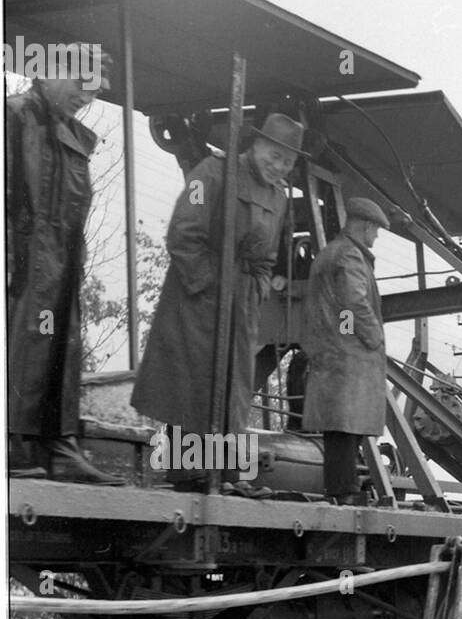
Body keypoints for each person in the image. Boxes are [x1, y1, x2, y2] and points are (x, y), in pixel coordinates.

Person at [131, 113, 303, 487]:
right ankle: (188, 475)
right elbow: (182, 232)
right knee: (190, 385)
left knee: (235, 389)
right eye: (273, 156)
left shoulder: (279, 198)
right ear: (255, 145)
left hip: (241, 304)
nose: (278, 167)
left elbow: (267, 258)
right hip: (196, 300)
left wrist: (254, 290)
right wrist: (208, 286)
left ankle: (226, 474)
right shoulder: (212, 173)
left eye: (287, 162)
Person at [7, 47, 123, 483]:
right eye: (80, 85)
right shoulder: (14, 116)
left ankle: (59, 449)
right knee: (20, 350)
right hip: (23, 260)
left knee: (59, 352)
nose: (84, 97)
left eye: (92, 92)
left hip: (60, 264)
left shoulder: (72, 135)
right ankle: (14, 449)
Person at [302, 198, 391, 503]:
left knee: (342, 422)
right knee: (344, 422)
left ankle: (344, 486)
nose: (376, 237)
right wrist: (373, 336)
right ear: (365, 226)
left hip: (333, 349)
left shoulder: (331, 253)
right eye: (376, 230)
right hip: (347, 352)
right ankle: (343, 488)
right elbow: (353, 302)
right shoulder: (350, 256)